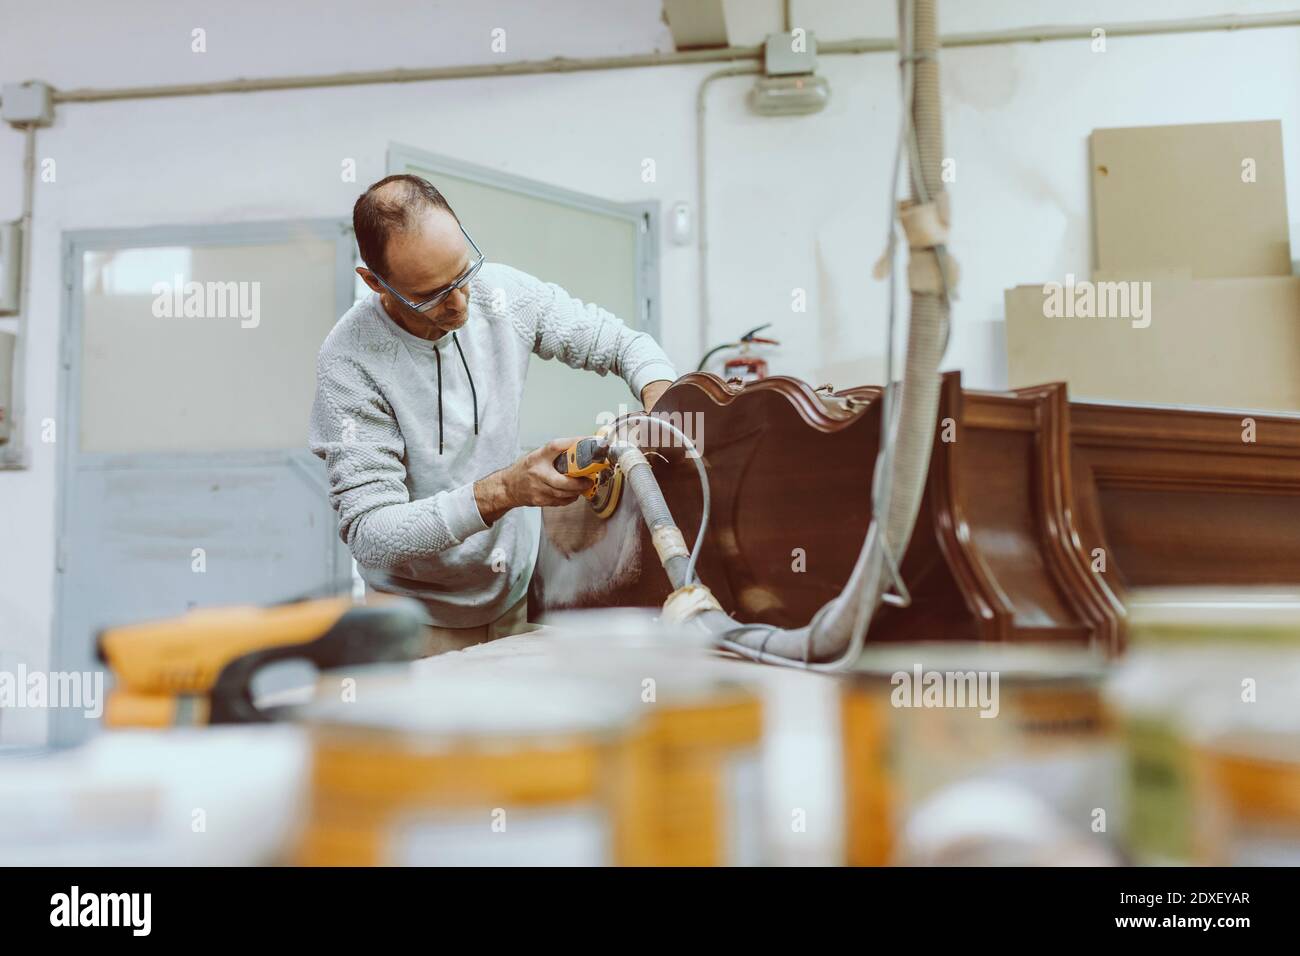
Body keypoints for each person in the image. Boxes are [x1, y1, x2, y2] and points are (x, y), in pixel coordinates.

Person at [308, 175, 676, 654]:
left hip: (520, 592)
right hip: (419, 619)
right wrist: (503, 491)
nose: (460, 304)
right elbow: (371, 532)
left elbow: (624, 344)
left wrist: (665, 407)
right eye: (432, 295)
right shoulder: (350, 362)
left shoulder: (501, 294)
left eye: (463, 274)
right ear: (375, 282)